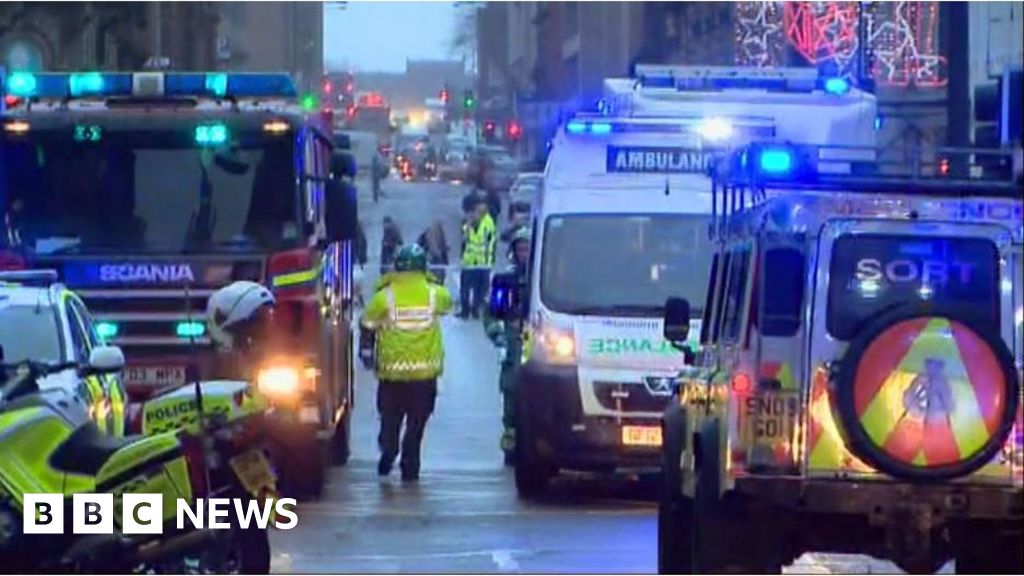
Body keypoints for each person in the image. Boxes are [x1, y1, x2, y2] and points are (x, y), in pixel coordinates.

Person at [360, 244, 453, 481]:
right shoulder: (435, 294)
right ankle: (410, 466)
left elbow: (367, 324)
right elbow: (449, 304)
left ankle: (389, 451)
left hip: (392, 376)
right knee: (416, 424)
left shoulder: (384, 297)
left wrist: (367, 352)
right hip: (424, 376)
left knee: (390, 420)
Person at [484, 227, 531, 465]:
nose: (524, 254)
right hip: (513, 344)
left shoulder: (548, 280)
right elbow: (493, 313)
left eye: (527, 249)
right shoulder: (505, 281)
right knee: (511, 394)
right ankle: (511, 445)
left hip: (537, 342)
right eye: (520, 249)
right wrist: (498, 333)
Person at [459, 199, 496, 319]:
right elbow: (464, 239)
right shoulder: (469, 224)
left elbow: (488, 241)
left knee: (479, 291)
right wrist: (468, 225)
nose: (475, 214)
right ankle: (465, 311)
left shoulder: (488, 224)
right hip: (469, 262)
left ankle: (475, 310)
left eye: (479, 211)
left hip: (482, 263)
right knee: (465, 289)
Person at [417, 220, 450, 285]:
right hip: (434, 260)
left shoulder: (430, 232)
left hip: (433, 259)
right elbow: (434, 248)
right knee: (437, 278)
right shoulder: (433, 233)